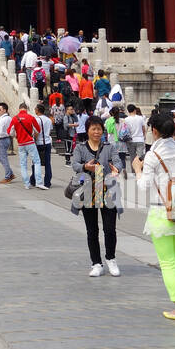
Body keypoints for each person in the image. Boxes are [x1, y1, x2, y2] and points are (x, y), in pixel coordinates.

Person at [137, 114, 175, 320]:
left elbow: (143, 186)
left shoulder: (153, 155)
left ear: (154, 132)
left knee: (167, 262)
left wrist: (137, 170)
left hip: (161, 212)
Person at [69, 114, 123, 277]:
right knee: (92, 230)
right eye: (93, 129)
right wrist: (85, 166)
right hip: (88, 190)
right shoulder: (80, 148)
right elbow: (75, 164)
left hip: (107, 190)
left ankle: (111, 259)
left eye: (99, 129)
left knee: (109, 229)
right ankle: (96, 263)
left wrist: (116, 169)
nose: (97, 132)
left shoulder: (109, 147)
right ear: (88, 130)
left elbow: (118, 162)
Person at [11, 102, 42, 189]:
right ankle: (39, 182)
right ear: (26, 109)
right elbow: (38, 130)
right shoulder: (31, 117)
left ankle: (26, 184)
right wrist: (33, 135)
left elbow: (10, 132)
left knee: (23, 164)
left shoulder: (14, 118)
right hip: (30, 142)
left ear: (19, 109)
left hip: (21, 144)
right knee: (36, 162)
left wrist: (16, 136)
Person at [0, 102, 14, 184]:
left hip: (3, 139)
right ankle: (10, 173)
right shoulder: (9, 118)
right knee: (3, 158)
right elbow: (12, 129)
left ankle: (8, 176)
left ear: (4, 110)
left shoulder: (2, 120)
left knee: (2, 158)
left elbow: (0, 133)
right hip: (8, 139)